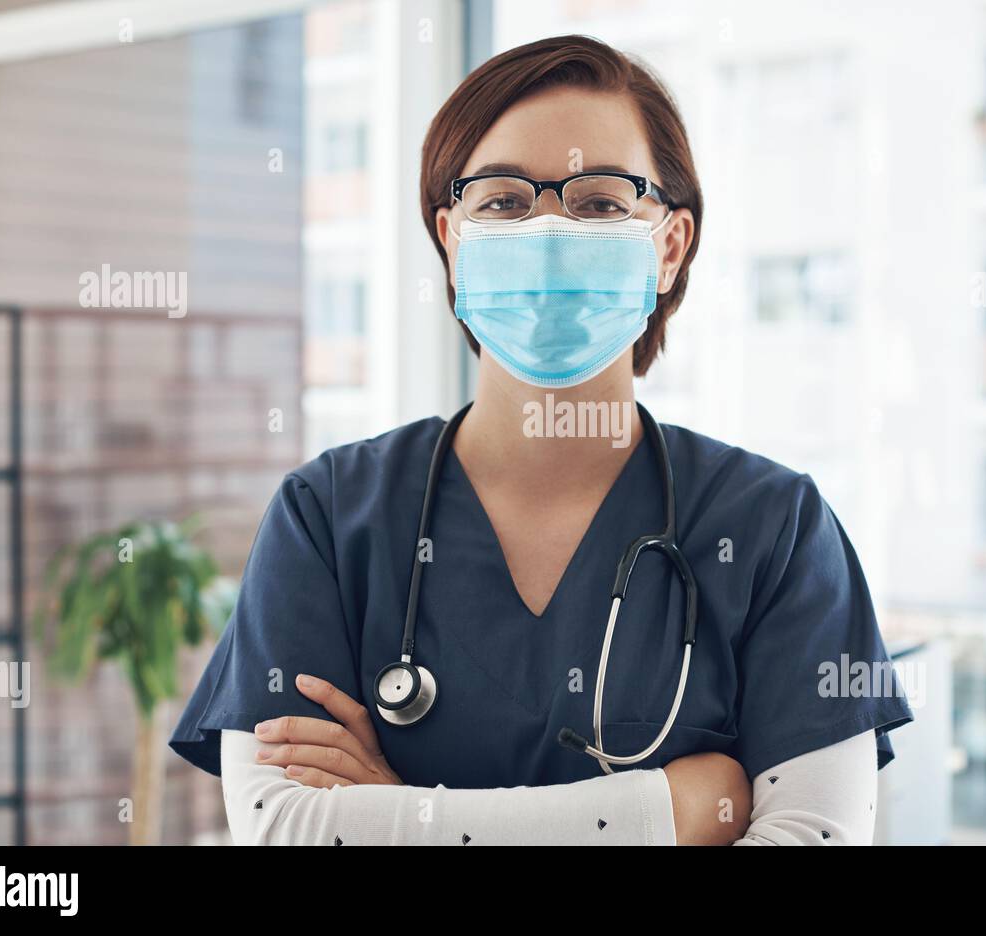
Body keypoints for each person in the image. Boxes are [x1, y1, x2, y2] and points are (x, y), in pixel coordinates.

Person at [170, 34, 912, 846]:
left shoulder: (777, 528)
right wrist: (674, 810)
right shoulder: (326, 516)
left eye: (599, 202)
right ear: (452, 242)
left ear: (669, 246)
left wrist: (401, 808)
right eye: (504, 201)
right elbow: (287, 831)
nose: (549, 228)